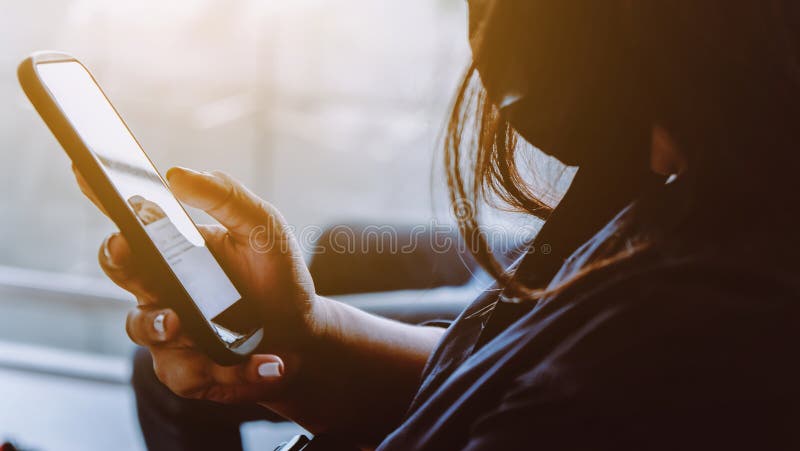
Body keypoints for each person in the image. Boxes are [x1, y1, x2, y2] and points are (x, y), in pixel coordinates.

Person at [76, 1, 800, 449]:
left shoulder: (650, 360)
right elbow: (504, 376)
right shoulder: (682, 191)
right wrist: (311, 336)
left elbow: (540, 397)